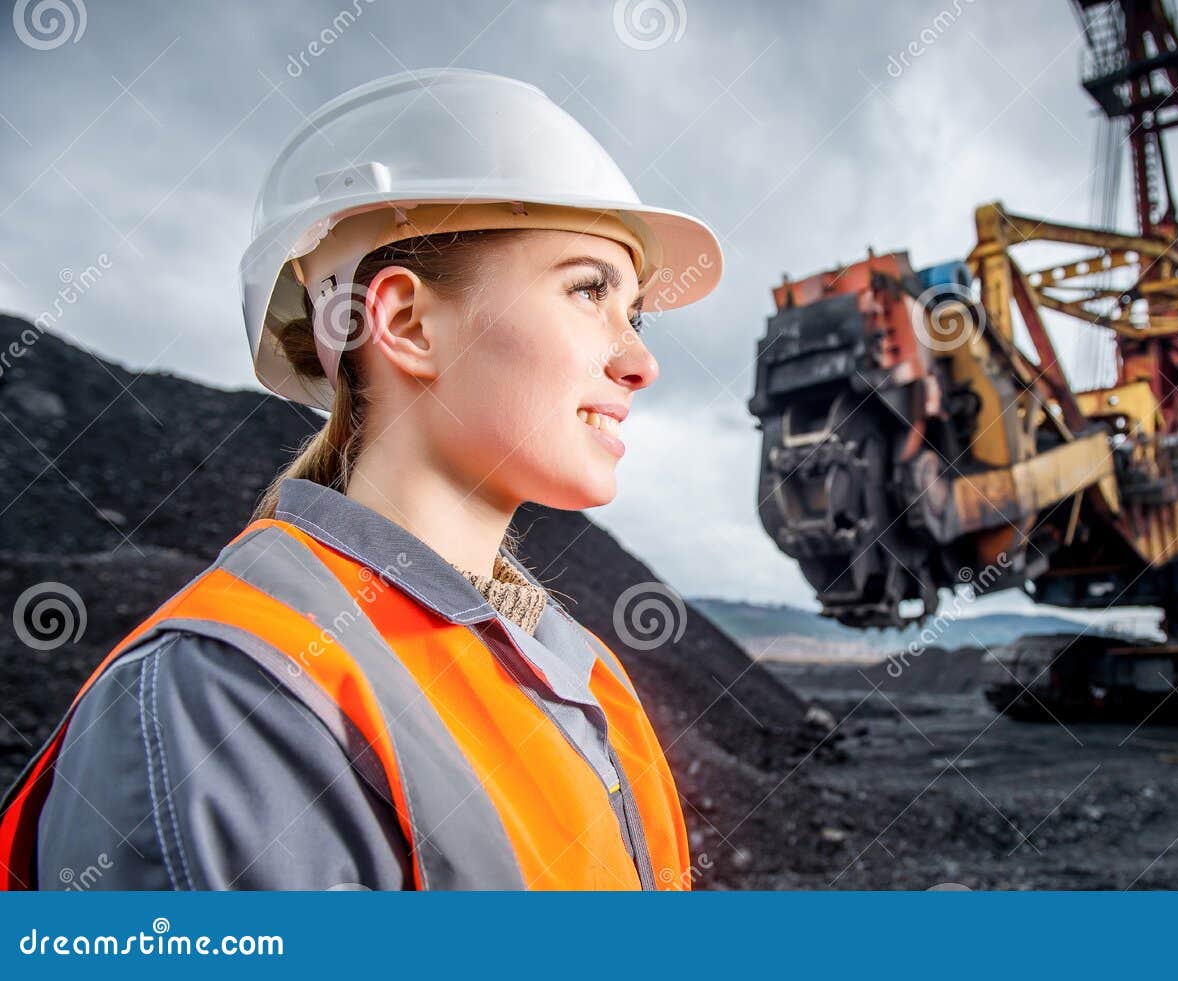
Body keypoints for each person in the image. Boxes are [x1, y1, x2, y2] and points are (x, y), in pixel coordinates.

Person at [0, 68, 722, 890]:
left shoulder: (587, 677)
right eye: (588, 288)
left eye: (637, 312)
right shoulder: (232, 692)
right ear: (408, 324)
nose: (641, 361)